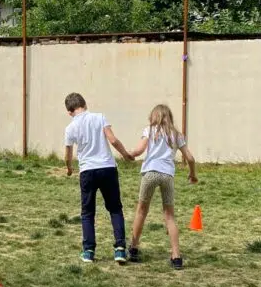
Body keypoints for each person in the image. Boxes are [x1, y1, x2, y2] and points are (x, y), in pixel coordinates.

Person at [64, 92, 133, 265]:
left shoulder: (70, 127)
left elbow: (68, 153)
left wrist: (69, 167)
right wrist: (125, 154)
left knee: (87, 212)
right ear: (84, 104)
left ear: (70, 111)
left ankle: (88, 251)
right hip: (108, 167)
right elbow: (113, 140)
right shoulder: (100, 117)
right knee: (115, 208)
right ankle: (120, 249)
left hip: (87, 170)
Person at [127, 103, 197, 269]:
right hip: (167, 175)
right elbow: (190, 158)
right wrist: (192, 174)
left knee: (141, 211)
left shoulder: (149, 131)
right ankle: (176, 256)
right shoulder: (177, 135)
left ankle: (134, 248)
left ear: (154, 117)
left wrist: (127, 154)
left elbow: (138, 150)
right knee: (169, 216)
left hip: (150, 173)